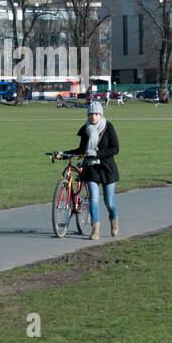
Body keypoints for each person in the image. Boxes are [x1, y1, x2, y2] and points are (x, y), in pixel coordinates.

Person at [60, 101, 119, 239]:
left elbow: (115, 148)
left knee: (109, 202)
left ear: (101, 115)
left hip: (107, 168)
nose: (93, 116)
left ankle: (114, 221)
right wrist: (65, 153)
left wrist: (97, 154)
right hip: (91, 169)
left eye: (96, 114)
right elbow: (81, 149)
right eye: (91, 114)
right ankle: (95, 229)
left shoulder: (108, 127)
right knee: (93, 198)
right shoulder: (85, 129)